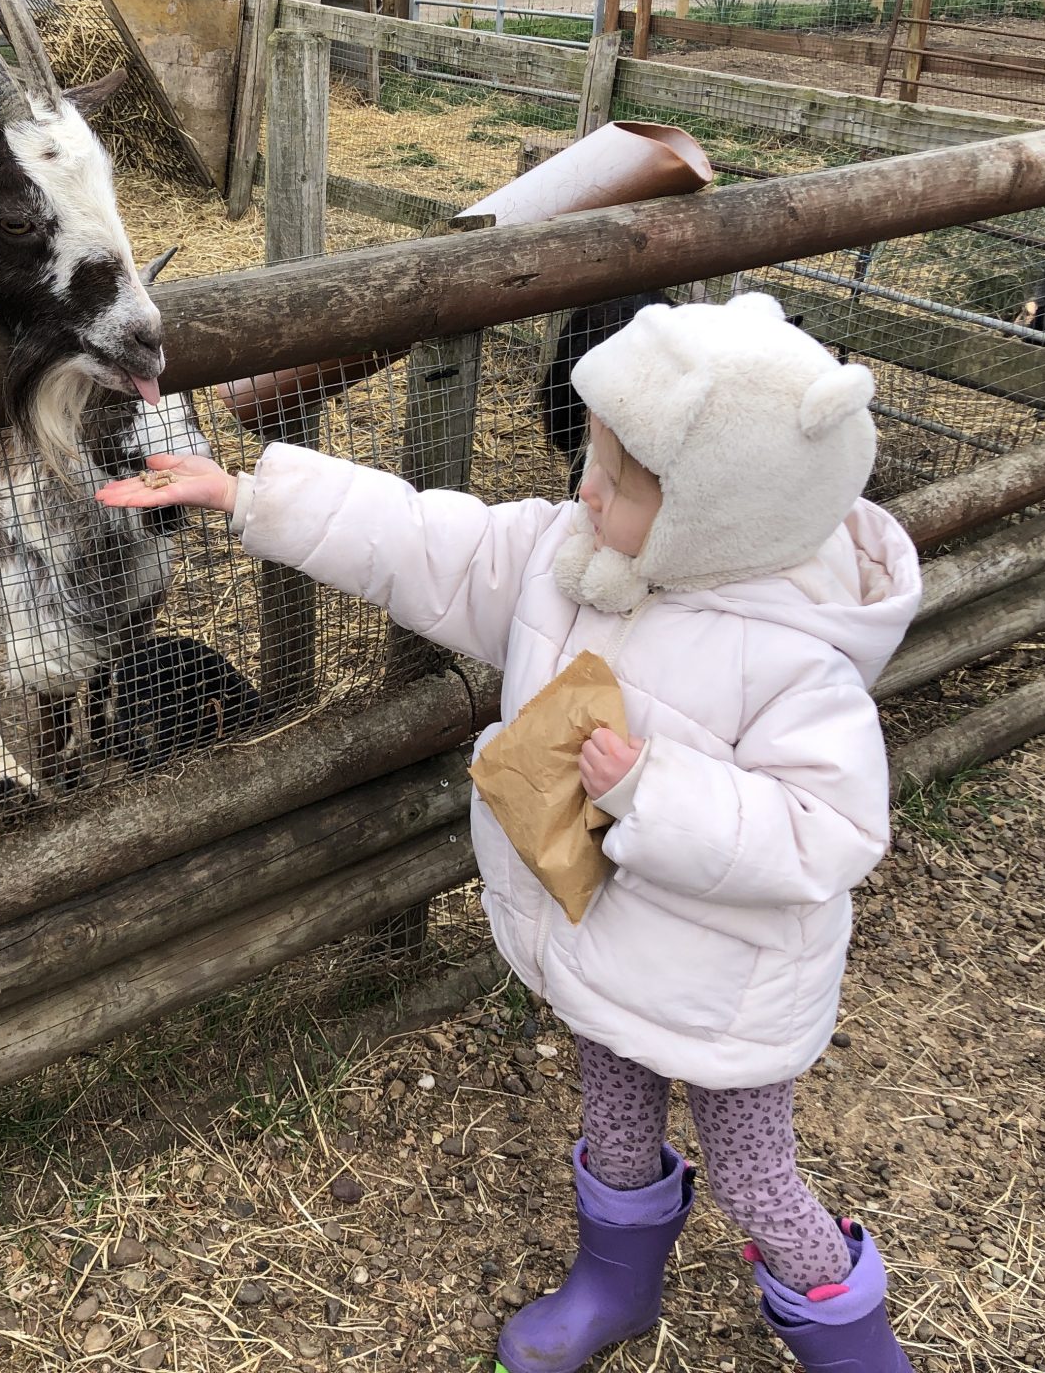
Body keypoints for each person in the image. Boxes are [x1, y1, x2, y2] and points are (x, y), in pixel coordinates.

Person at [97, 294, 922, 1372]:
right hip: (605, 950)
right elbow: (422, 543)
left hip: (725, 989)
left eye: (623, 478)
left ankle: (851, 1346)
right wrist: (249, 493)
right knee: (615, 1123)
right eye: (594, 452)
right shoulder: (571, 557)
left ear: (722, 512)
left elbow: (825, 833)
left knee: (755, 1176)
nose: (586, 486)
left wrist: (650, 795)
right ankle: (613, 1285)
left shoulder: (796, 664)